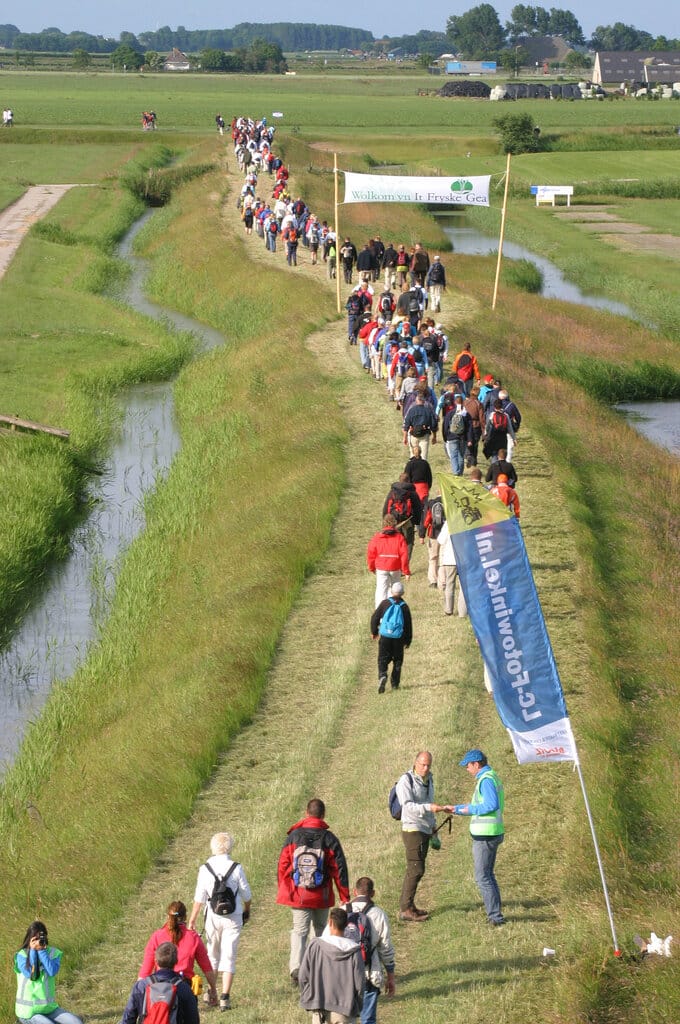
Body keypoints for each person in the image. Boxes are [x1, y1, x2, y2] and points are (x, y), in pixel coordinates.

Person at [277, 798, 351, 986]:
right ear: (323, 815)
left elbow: (283, 865)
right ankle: (318, 967)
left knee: (300, 931)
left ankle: (296, 969)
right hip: (321, 895)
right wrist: (344, 896)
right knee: (320, 931)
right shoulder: (329, 839)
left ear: (306, 813)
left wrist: (286, 888)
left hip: (298, 894)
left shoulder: (294, 836)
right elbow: (339, 869)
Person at [187, 832, 252, 1011]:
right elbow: (246, 894)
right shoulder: (236, 868)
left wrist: (192, 919)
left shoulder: (205, 868)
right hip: (234, 916)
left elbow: (199, 898)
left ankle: (212, 992)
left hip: (213, 917)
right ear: (230, 847)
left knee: (212, 955)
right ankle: (225, 997)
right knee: (229, 955)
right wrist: (247, 909)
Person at [450, 749, 505, 926]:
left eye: (468, 765)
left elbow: (490, 805)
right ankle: (495, 913)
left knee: (483, 877)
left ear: (476, 764)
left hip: (486, 834)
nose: (467, 769)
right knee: (488, 875)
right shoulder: (491, 776)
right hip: (492, 832)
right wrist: (457, 808)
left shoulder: (486, 779)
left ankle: (495, 917)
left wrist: (468, 810)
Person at [396, 752, 450, 921]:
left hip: (425, 828)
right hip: (412, 828)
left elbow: (429, 802)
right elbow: (408, 806)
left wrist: (434, 827)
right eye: (422, 764)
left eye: (428, 765)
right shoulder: (406, 781)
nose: (425, 768)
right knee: (416, 869)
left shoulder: (429, 780)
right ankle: (405, 909)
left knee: (417, 869)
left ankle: (409, 906)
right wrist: (428, 808)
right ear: (415, 762)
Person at [139, 901, 217, 1005]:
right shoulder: (193, 937)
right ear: (185, 917)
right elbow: (206, 968)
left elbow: (145, 972)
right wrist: (213, 990)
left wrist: (139, 995)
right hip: (185, 990)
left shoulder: (156, 937)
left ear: (168, 916)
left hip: (160, 992)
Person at [299, 907, 364, 1024]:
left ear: (330, 922)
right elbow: (359, 983)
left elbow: (303, 976)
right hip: (344, 1011)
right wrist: (356, 1006)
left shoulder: (315, 945)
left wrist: (310, 997)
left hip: (319, 1009)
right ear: (346, 925)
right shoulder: (354, 950)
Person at [345, 878, 395, 1024]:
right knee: (368, 1019)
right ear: (373, 893)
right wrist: (390, 976)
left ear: (355, 891)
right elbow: (386, 948)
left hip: (344, 972)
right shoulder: (379, 914)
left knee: (345, 1017)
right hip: (368, 971)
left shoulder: (341, 911)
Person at [14, 921, 83, 1024]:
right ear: (29, 939)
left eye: (40, 938)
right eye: (35, 939)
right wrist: (33, 951)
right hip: (28, 1012)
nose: (38, 942)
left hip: (48, 1008)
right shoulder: (22, 955)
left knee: (77, 1022)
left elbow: (52, 971)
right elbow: (32, 975)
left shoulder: (53, 953)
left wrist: (41, 951)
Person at [121, 941, 199, 1024]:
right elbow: (193, 1020)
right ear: (176, 961)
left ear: (156, 961)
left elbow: (128, 1019)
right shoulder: (184, 988)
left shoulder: (141, 986)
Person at [370, 580, 412, 693]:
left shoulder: (385, 603)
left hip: (385, 637)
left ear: (391, 591)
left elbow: (374, 618)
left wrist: (374, 632)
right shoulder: (404, 607)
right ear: (402, 593)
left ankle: (383, 675)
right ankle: (395, 684)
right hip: (399, 638)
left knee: (382, 659)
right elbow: (408, 626)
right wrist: (408, 641)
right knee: (398, 661)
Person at [366, 514, 411, 607]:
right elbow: (404, 555)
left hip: (381, 567)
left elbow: (371, 554)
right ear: (395, 523)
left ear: (383, 524)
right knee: (394, 590)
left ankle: (380, 614)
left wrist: (372, 568)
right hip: (395, 567)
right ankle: (393, 610)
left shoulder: (377, 537)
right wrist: (406, 571)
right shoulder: (399, 537)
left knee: (381, 591)